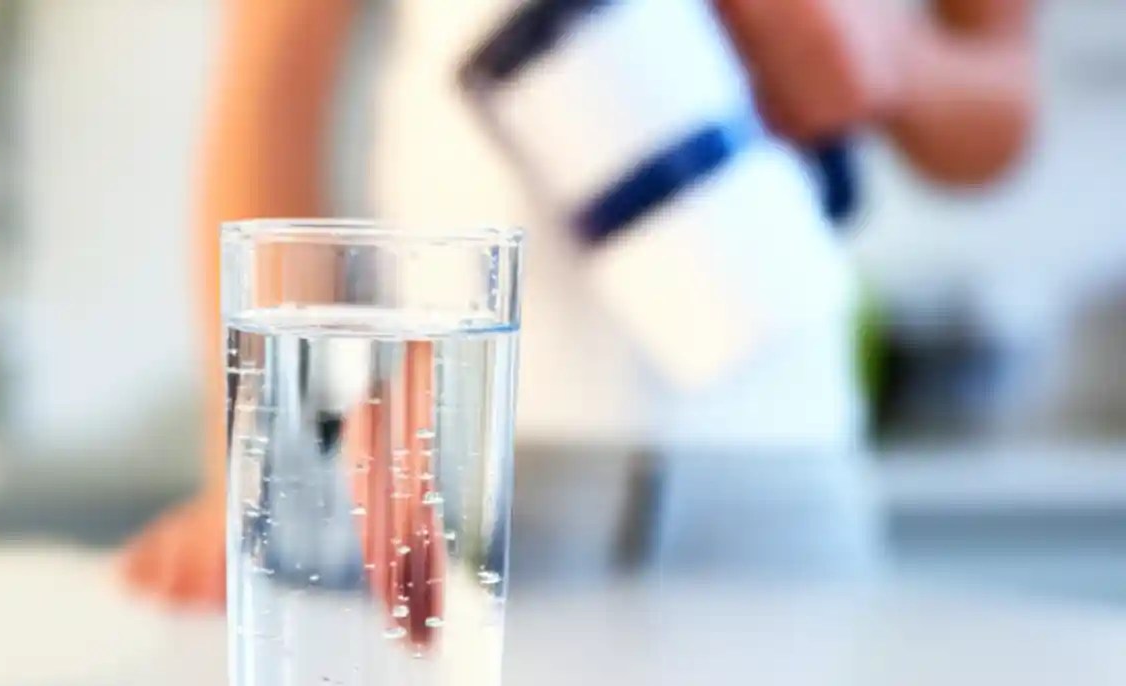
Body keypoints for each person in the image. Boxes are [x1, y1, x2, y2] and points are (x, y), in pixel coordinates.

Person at [120, 0, 1033, 608]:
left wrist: (894, 60)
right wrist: (269, 473)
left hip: (784, 470)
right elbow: (273, 92)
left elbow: (1004, 100)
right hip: (467, 470)